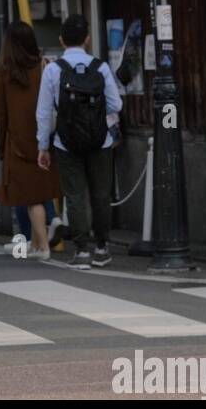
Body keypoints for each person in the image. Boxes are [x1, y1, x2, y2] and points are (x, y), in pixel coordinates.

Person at [37, 15, 123, 269]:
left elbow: (44, 112)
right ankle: (102, 248)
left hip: (66, 141)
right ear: (87, 39)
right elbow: (116, 104)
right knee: (100, 194)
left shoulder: (53, 69)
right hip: (100, 141)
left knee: (75, 195)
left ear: (61, 40)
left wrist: (43, 146)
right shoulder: (101, 67)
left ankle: (82, 250)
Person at [0, 22, 62, 260]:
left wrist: (2, 144)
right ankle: (34, 242)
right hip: (44, 138)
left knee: (31, 198)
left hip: (17, 140)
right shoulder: (43, 66)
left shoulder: (3, 72)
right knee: (40, 192)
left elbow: (0, 114)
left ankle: (43, 247)